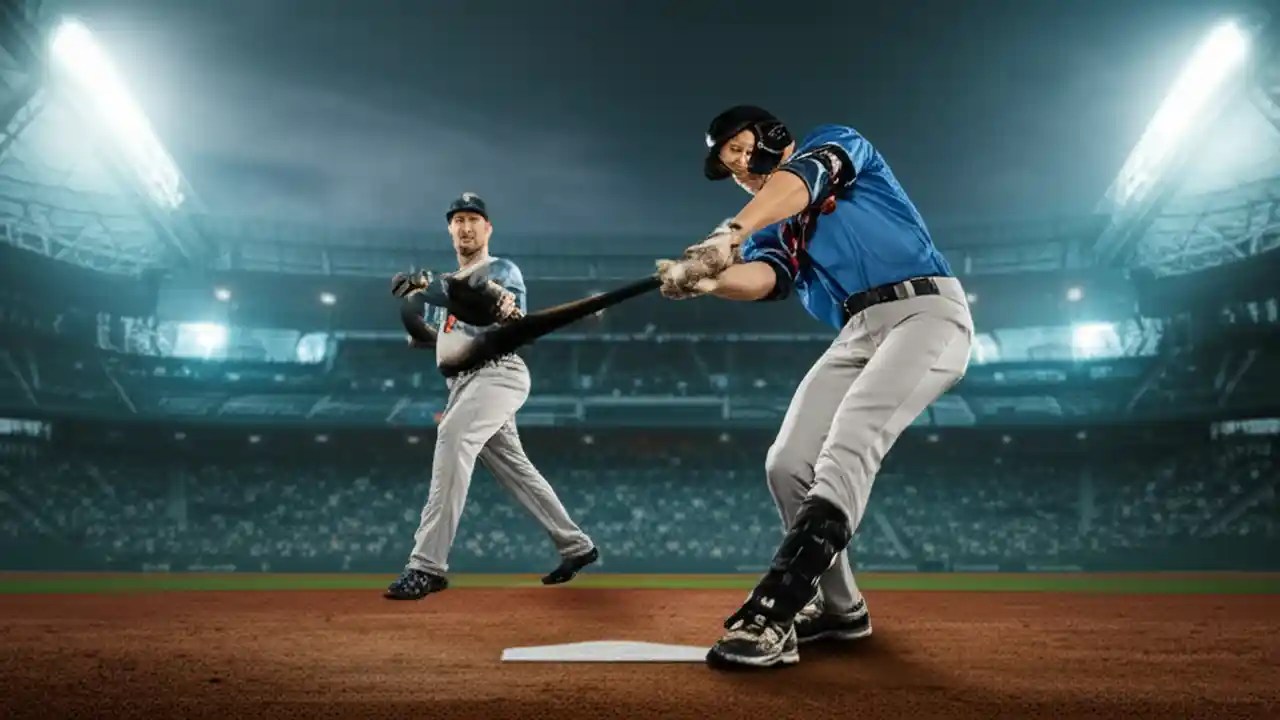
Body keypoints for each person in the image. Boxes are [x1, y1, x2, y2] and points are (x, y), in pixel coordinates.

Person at [657, 106, 974, 668]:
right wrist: (707, 279)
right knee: (787, 462)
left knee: (850, 439)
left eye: (736, 147)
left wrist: (729, 231)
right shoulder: (773, 223)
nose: (734, 165)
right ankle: (840, 607)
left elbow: (802, 180)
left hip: (925, 311)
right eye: (724, 161)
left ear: (771, 134)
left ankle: (776, 608)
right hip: (858, 330)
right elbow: (765, 279)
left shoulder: (836, 143)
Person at [384, 192, 599, 600]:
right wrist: (413, 312)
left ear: (487, 228)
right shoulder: (446, 288)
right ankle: (577, 546)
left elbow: (501, 307)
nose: (465, 226)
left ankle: (426, 566)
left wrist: (441, 287)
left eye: (473, 219)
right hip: (464, 382)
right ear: (450, 229)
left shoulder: (498, 268)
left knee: (452, 440)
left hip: (497, 375)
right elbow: (437, 338)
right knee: (516, 469)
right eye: (457, 219)